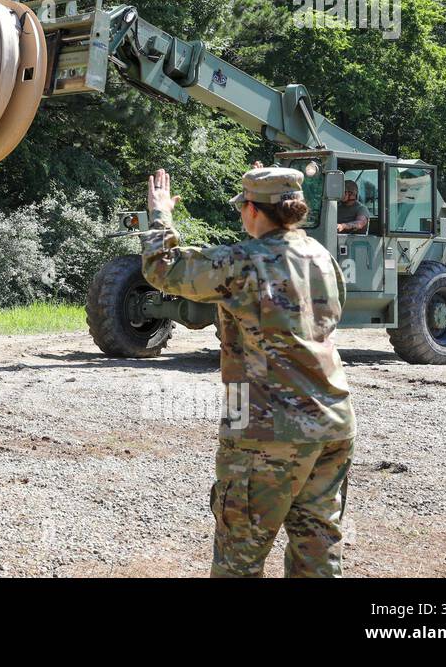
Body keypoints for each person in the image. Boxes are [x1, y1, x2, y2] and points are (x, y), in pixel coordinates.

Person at [139, 167, 355, 577]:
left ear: (253, 210)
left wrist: (161, 215)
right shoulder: (321, 256)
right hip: (333, 422)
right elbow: (334, 314)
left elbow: (162, 269)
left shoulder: (243, 261)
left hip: (267, 431)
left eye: (244, 207)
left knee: (238, 558)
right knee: (318, 551)